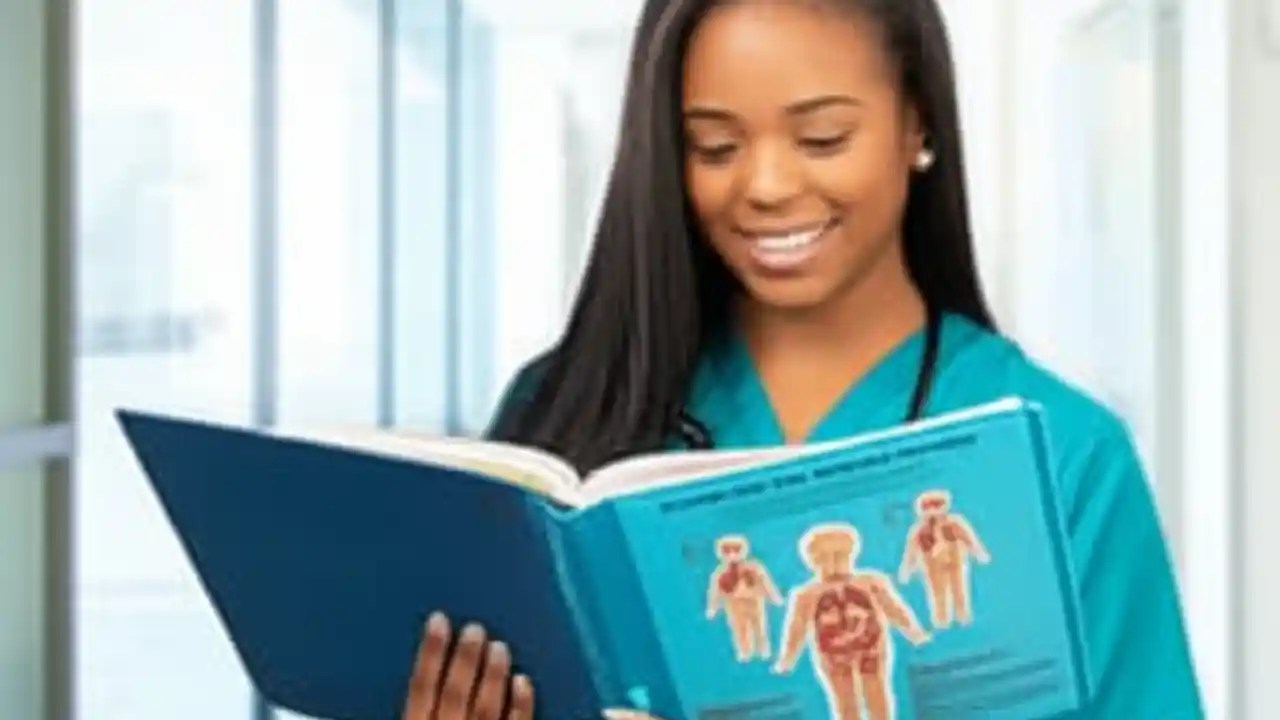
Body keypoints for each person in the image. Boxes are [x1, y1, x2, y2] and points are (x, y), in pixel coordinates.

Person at [399, 0, 1206, 718]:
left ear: (918, 122)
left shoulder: (1067, 454)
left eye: (823, 137)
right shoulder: (561, 409)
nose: (766, 185)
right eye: (714, 148)